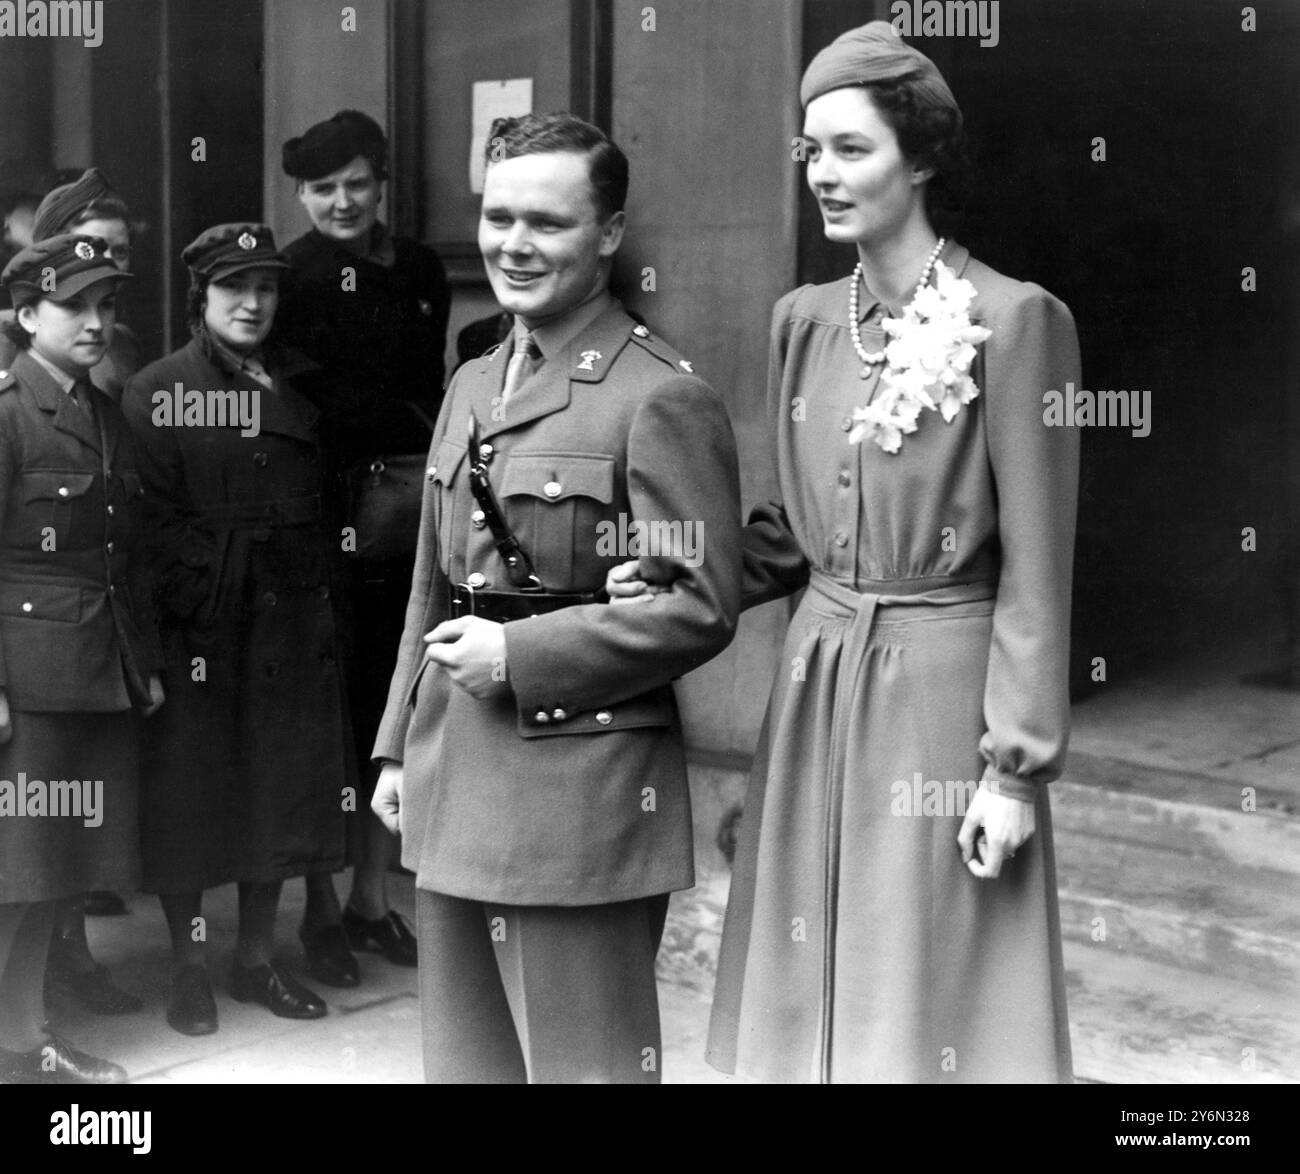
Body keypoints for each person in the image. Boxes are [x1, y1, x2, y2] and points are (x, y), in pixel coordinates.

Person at [610, 21, 1079, 1083]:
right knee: (806, 953)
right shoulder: (804, 320)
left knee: (925, 971)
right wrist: (693, 568)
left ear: (919, 159)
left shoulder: (1015, 321)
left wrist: (1013, 771)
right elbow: (791, 528)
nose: (822, 174)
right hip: (817, 674)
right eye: (809, 151)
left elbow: (1038, 572)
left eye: (850, 149)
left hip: (938, 694)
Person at [370, 112, 742, 1083]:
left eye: (547, 221)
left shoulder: (657, 396)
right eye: (497, 217)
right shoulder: (472, 382)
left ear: (609, 234)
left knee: (591, 1069)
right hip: (454, 774)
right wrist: (394, 746)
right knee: (466, 1065)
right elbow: (430, 581)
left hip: (582, 793)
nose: (512, 244)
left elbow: (699, 604)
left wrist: (521, 658)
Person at [120, 224, 356, 1036]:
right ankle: (189, 969)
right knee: (189, 802)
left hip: (289, 629)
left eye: (265, 288)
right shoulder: (158, 389)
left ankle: (256, 961)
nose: (253, 303)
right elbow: (145, 524)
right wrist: (210, 590)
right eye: (234, 289)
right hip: (201, 631)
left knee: (278, 795)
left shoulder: (302, 384)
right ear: (201, 299)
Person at [276, 109, 451, 984]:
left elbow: (430, 388)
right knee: (331, 717)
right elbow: (302, 404)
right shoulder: (290, 277)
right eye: (322, 188)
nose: (342, 202)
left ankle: (372, 901)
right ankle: (317, 912)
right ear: (301, 194)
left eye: (356, 183)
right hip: (326, 513)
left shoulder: (419, 268)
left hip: (408, 511)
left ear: (382, 183)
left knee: (397, 703)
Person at [0, 234, 165, 1083]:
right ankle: (19, 1046)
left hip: (91, 671)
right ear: (27, 316)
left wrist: (141, 660)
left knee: (53, 874)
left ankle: (23, 1044)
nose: (99, 322)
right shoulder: (7, 408)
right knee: (15, 878)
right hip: (27, 682)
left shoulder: (99, 409)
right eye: (78, 307)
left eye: (108, 305)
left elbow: (115, 553)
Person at [0, 170, 141, 402]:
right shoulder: (2, 339)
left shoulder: (122, 344)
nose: (109, 263)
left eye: (120, 251)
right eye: (92, 248)